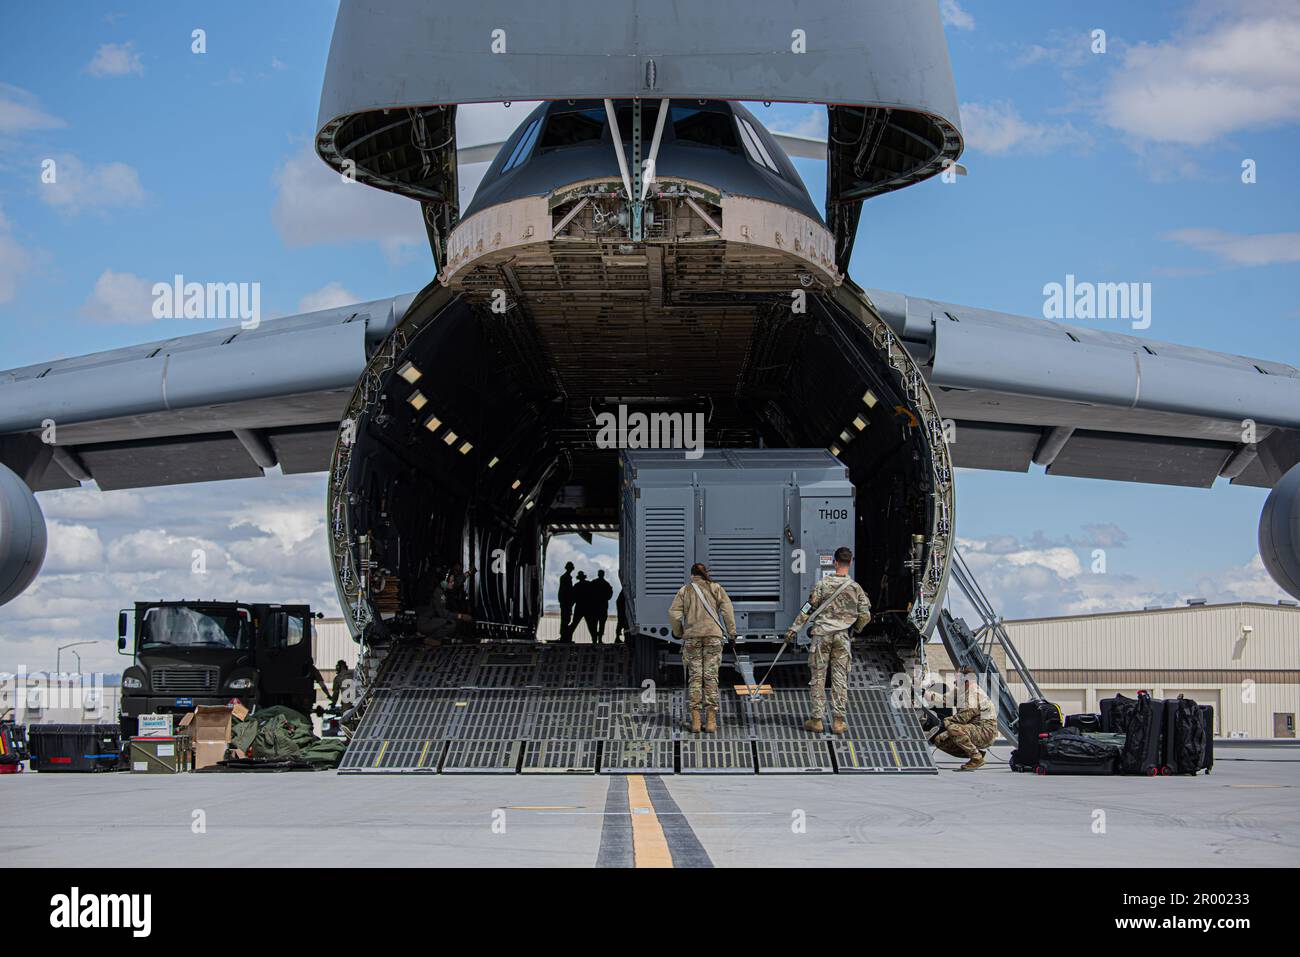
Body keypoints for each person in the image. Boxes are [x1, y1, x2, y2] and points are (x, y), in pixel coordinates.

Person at [784, 546, 872, 735]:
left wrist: (794, 629)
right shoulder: (856, 589)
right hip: (842, 637)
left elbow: (808, 608)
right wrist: (855, 628)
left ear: (834, 562)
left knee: (818, 677)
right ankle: (838, 722)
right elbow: (865, 615)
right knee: (840, 678)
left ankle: (817, 720)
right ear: (850, 563)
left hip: (822, 635)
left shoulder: (822, 585)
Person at [668, 562, 736, 734]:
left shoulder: (685, 590)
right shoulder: (716, 588)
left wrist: (679, 632)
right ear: (705, 573)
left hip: (692, 638)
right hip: (713, 637)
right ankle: (711, 722)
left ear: (692, 575)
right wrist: (732, 632)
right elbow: (727, 610)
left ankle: (696, 722)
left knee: (695, 679)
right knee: (711, 678)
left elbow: (674, 614)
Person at [931, 668, 998, 770]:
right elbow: (944, 700)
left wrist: (944, 723)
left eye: (957, 681)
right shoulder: (961, 691)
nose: (955, 683)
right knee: (940, 740)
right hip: (972, 728)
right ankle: (976, 752)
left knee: (953, 728)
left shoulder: (974, 694)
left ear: (966, 681)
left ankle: (976, 758)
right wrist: (925, 694)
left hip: (985, 731)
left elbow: (962, 718)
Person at [415, 567, 472, 640]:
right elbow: (443, 613)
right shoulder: (438, 593)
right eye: (451, 582)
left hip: (432, 621)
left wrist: (468, 573)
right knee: (451, 623)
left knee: (453, 621)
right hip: (425, 623)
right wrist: (460, 616)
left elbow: (457, 582)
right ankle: (432, 639)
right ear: (444, 582)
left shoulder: (445, 588)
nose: (453, 583)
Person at [591, 570, 614, 642]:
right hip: (603, 607)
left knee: (594, 624)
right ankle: (600, 639)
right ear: (603, 575)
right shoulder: (606, 584)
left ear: (598, 574)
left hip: (595, 607)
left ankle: (594, 640)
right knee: (602, 624)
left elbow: (589, 593)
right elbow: (610, 595)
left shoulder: (594, 583)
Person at [572, 571, 593, 642]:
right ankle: (594, 639)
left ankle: (568, 637)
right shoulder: (589, 584)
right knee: (591, 625)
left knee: (574, 623)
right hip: (588, 607)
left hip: (579, 607)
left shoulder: (576, 585)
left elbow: (573, 597)